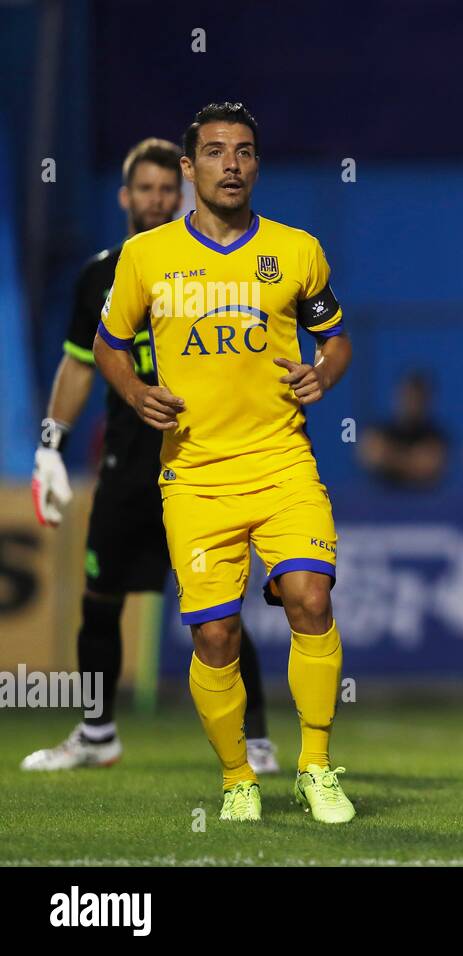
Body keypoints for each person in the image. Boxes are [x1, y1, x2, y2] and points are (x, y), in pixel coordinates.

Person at [94, 103, 355, 824]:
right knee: (215, 636)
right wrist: (135, 391)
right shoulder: (145, 256)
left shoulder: (296, 250)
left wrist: (323, 375)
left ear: (256, 164)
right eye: (213, 151)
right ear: (189, 168)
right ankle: (238, 777)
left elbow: (336, 339)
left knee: (311, 598)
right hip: (196, 475)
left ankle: (316, 766)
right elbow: (109, 346)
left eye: (243, 151)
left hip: (282, 462)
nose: (230, 164)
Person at [24, 137, 278, 775]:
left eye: (168, 189)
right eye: (147, 188)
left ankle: (255, 739)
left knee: (218, 607)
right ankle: (97, 733)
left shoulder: (217, 267)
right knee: (100, 599)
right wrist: (50, 448)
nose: (158, 199)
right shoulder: (100, 277)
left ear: (183, 193)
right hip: (126, 466)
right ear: (125, 197)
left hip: (198, 463)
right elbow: (78, 366)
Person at [358, 371, 449, 487]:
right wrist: (412, 460)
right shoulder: (379, 431)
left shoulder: (436, 436)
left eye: (417, 398)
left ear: (426, 401)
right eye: (407, 396)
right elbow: (370, 456)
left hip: (424, 497)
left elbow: (429, 466)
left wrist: (388, 456)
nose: (411, 402)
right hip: (380, 496)